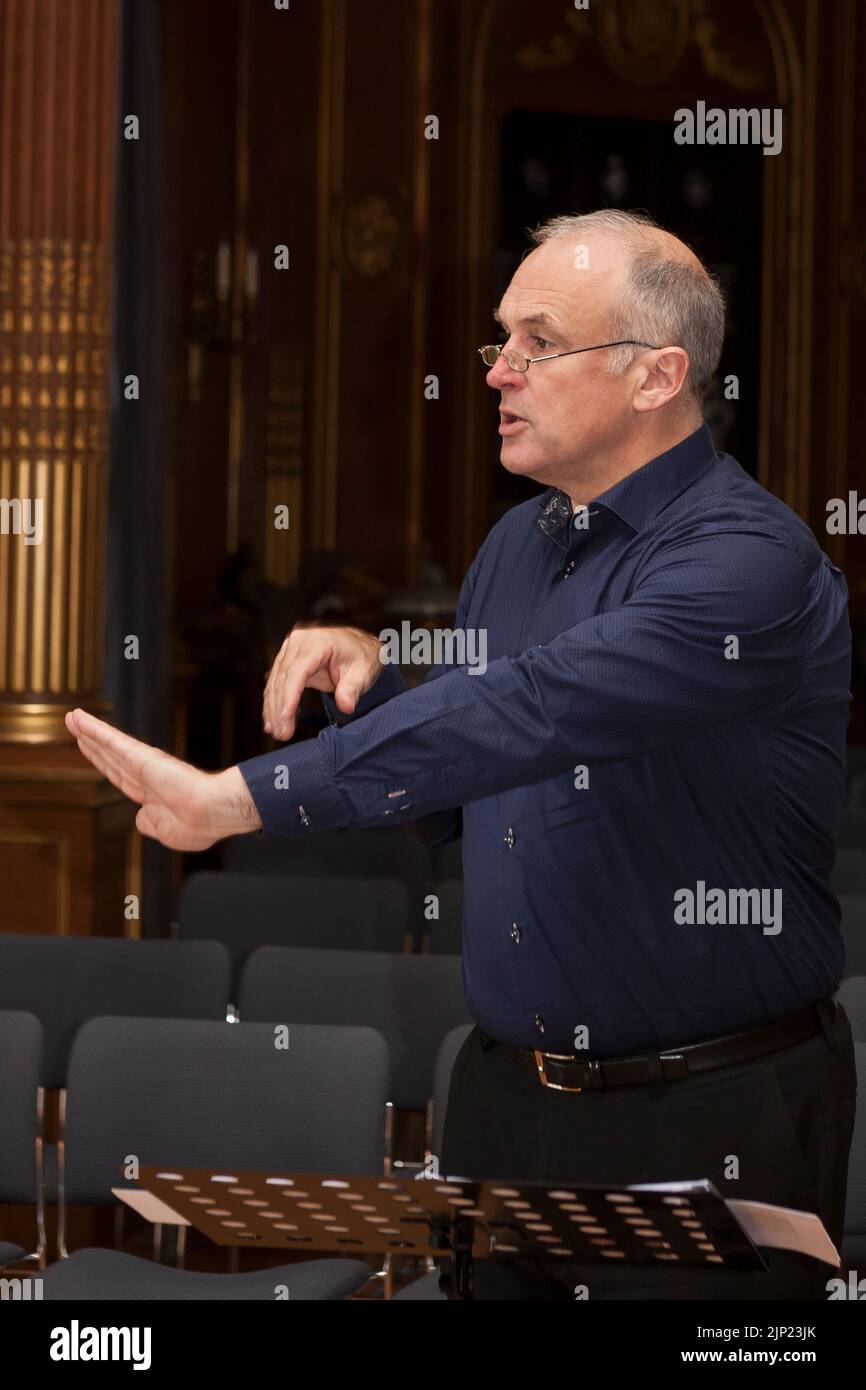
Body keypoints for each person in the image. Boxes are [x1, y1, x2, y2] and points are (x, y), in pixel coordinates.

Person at [66, 210, 857, 1300]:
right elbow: (465, 780)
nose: (497, 372)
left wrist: (237, 798)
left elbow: (537, 708)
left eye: (538, 342)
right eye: (499, 340)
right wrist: (373, 691)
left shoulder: (749, 563)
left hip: (707, 1108)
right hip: (504, 1102)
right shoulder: (512, 547)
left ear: (654, 376)